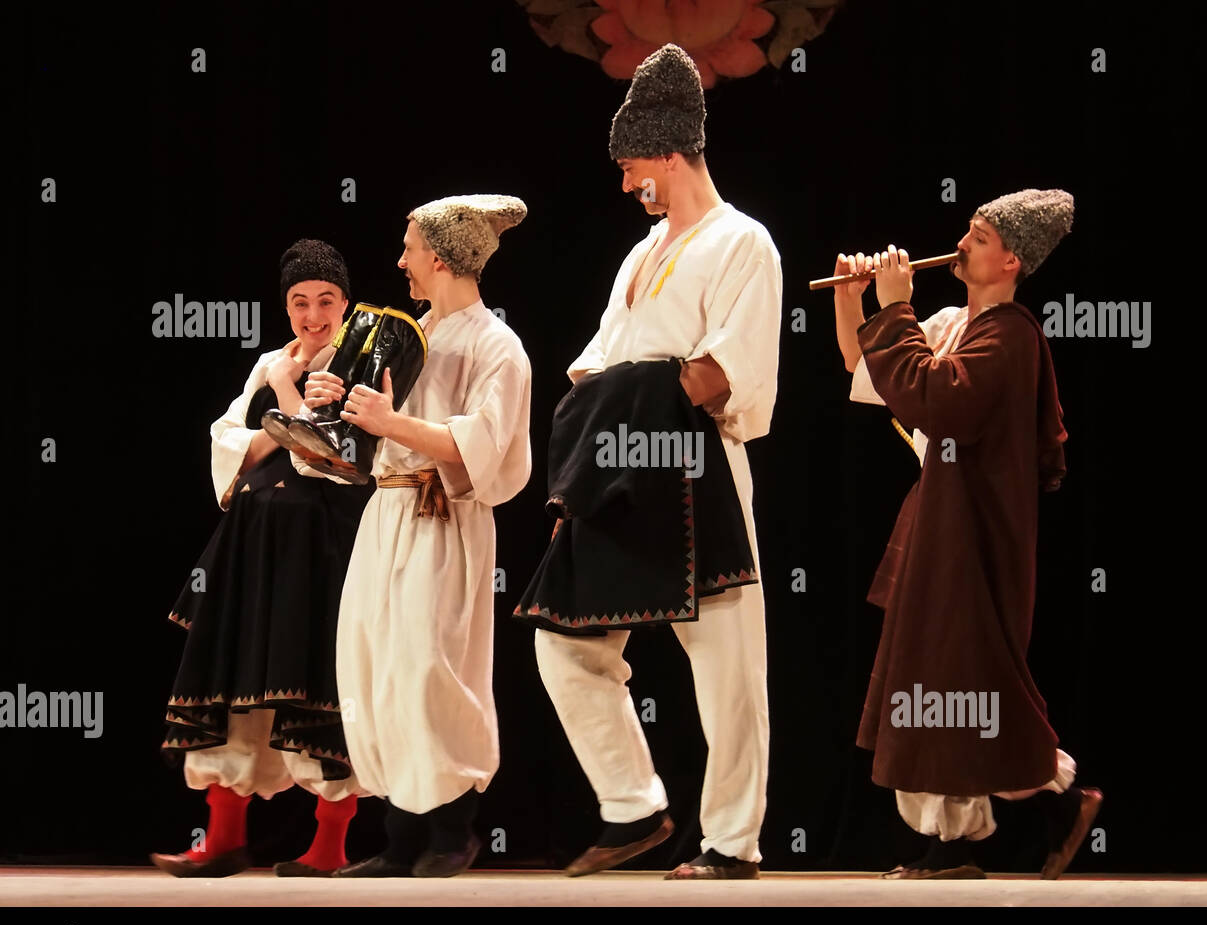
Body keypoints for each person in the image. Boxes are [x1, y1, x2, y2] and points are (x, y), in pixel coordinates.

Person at [520, 44, 781, 880]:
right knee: (565, 644)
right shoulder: (640, 255)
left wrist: (645, 385)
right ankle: (635, 806)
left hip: (694, 462)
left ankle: (731, 842)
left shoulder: (744, 243)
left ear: (671, 155)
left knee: (727, 665)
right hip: (621, 461)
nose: (627, 182)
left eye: (634, 165)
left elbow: (718, 375)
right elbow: (593, 364)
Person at [832, 189, 1101, 880]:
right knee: (936, 676)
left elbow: (940, 399)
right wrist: (853, 296)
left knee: (960, 675)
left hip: (974, 529)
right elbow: (876, 376)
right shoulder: (958, 323)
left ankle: (1033, 807)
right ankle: (979, 829)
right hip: (942, 517)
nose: (963, 242)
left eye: (979, 237)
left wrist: (895, 307)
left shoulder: (1011, 335)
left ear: (1010, 260)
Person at [302, 196, 532, 878]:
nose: (400, 261)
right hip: (388, 512)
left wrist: (386, 420)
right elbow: (363, 435)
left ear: (438, 256)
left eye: (408, 248)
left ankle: (451, 832)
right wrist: (332, 405)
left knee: (434, 667)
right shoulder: (404, 334)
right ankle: (400, 838)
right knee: (380, 668)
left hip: (441, 517)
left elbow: (486, 446)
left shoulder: (497, 344)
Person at [152, 239, 370, 878]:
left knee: (318, 683)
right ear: (286, 307)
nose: (312, 315)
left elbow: (329, 455)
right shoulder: (269, 363)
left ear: (345, 305)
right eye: (300, 303)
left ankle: (329, 848)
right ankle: (223, 839)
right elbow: (227, 439)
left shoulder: (356, 365)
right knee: (236, 678)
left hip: (320, 547)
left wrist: (286, 403)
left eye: (325, 301)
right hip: (253, 544)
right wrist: (278, 403)